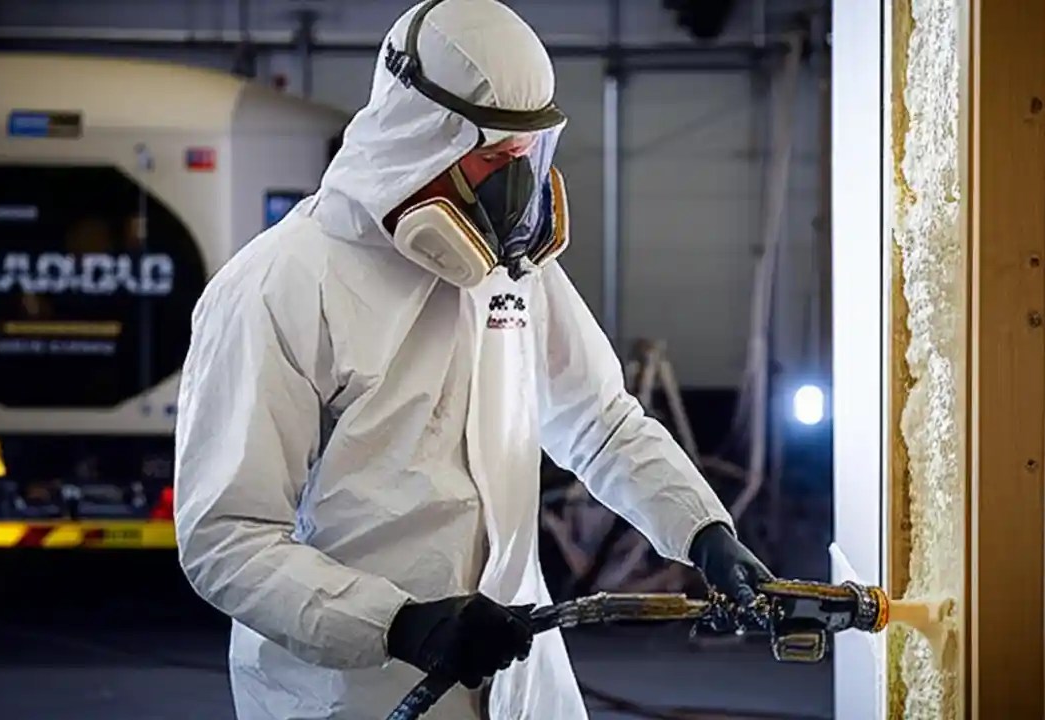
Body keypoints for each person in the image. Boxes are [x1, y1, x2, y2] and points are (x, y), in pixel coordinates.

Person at [172, 0, 771, 718]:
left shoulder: (510, 269)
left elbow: (600, 423)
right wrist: (400, 624)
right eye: (493, 159)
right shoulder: (281, 286)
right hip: (356, 691)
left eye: (527, 157)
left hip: (521, 680)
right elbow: (227, 539)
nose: (513, 188)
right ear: (418, 141)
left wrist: (704, 532)